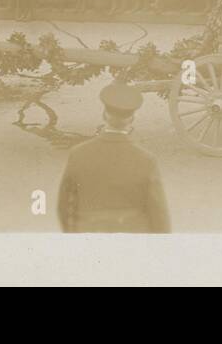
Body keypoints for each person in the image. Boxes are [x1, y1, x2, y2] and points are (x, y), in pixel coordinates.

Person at [58, 82, 171, 233]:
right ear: (132, 119)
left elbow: (63, 206)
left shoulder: (78, 154)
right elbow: (159, 213)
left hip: (88, 234)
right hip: (132, 237)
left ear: (104, 115)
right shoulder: (146, 160)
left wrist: (75, 236)